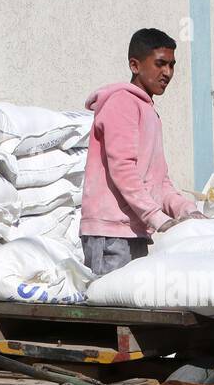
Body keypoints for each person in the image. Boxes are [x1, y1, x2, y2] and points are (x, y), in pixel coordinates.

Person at [79, 28, 203, 276]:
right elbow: (122, 168)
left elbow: (160, 181)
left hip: (134, 231)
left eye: (171, 65)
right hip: (110, 234)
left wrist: (186, 210)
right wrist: (156, 217)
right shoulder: (121, 103)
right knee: (114, 311)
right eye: (160, 64)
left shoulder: (150, 112)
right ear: (135, 65)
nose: (167, 73)